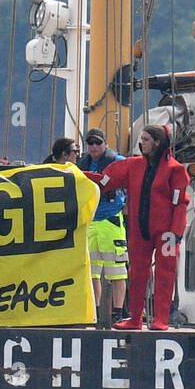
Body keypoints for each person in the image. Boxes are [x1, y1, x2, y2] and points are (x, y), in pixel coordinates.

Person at [88, 125, 190, 330]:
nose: (141, 142)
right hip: (139, 232)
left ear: (157, 142)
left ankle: (160, 319)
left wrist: (176, 233)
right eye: (141, 138)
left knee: (165, 273)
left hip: (166, 234)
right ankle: (135, 318)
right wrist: (79, 176)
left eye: (145, 139)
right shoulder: (132, 165)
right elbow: (105, 182)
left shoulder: (175, 170)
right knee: (137, 273)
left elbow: (180, 203)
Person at [78, 128, 128, 323]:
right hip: (91, 221)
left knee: (117, 271)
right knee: (92, 272)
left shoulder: (118, 161)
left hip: (111, 220)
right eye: (90, 143)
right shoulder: (84, 163)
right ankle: (96, 311)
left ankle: (117, 312)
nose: (94, 147)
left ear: (105, 144)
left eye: (98, 143)